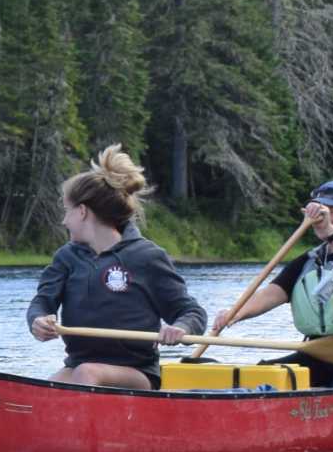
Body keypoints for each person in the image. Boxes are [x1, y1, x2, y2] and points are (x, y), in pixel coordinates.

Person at [28, 143, 208, 388]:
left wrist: (180, 327)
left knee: (87, 374)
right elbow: (42, 302)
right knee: (46, 393)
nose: (64, 220)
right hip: (79, 367)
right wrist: (38, 320)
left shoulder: (148, 257)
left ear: (82, 211)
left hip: (137, 374)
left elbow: (192, 313)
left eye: (67, 211)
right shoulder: (66, 258)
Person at [204, 179, 333, 386]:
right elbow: (269, 294)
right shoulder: (308, 261)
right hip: (322, 350)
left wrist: (331, 234)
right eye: (316, 210)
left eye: (330, 209)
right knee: (264, 375)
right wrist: (234, 313)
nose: (320, 216)